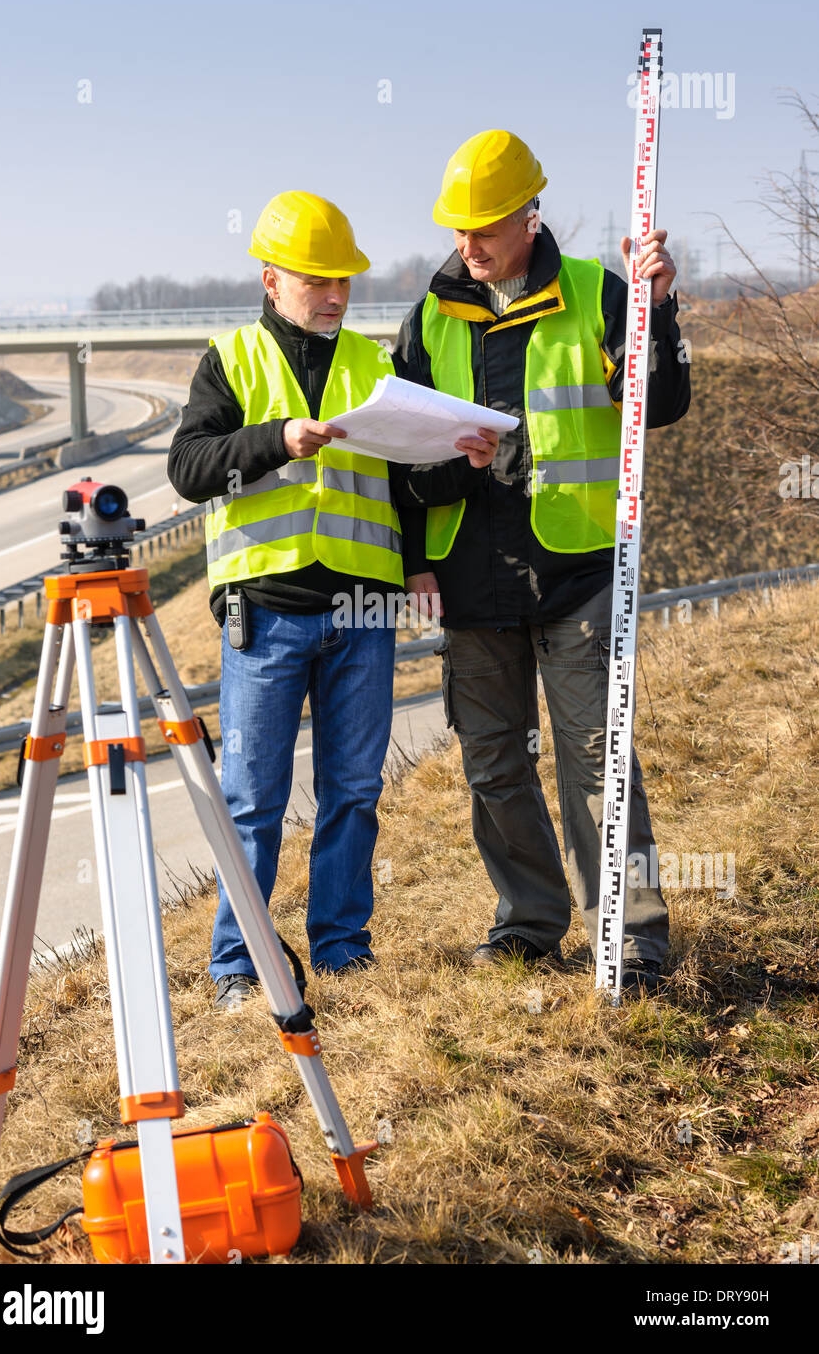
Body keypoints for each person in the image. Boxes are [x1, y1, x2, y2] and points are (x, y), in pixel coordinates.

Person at [167, 190, 495, 1008]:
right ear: (273, 278)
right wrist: (277, 440)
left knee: (353, 791)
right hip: (267, 611)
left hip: (365, 612)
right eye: (318, 279)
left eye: (344, 280)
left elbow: (406, 483)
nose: (336, 294)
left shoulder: (375, 368)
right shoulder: (231, 358)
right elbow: (190, 469)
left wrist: (464, 460)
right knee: (254, 801)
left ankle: (344, 950)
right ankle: (241, 969)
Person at [393, 130, 691, 993]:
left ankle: (631, 937)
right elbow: (399, 457)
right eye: (457, 229)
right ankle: (528, 922)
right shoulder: (430, 316)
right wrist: (416, 558)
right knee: (492, 761)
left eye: (484, 226)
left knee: (598, 755)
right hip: (471, 581)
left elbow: (659, 404)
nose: (467, 245)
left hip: (579, 571)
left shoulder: (600, 293)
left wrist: (656, 310)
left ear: (531, 214)